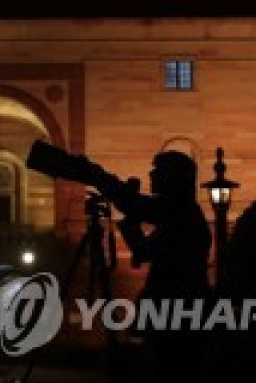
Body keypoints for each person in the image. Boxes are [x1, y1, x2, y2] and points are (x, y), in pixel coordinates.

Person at [98, 151, 212, 383]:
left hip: (177, 315)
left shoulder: (181, 212)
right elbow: (144, 250)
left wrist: (109, 186)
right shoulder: (184, 213)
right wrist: (130, 219)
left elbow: (141, 210)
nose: (152, 175)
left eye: (158, 170)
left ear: (173, 178)